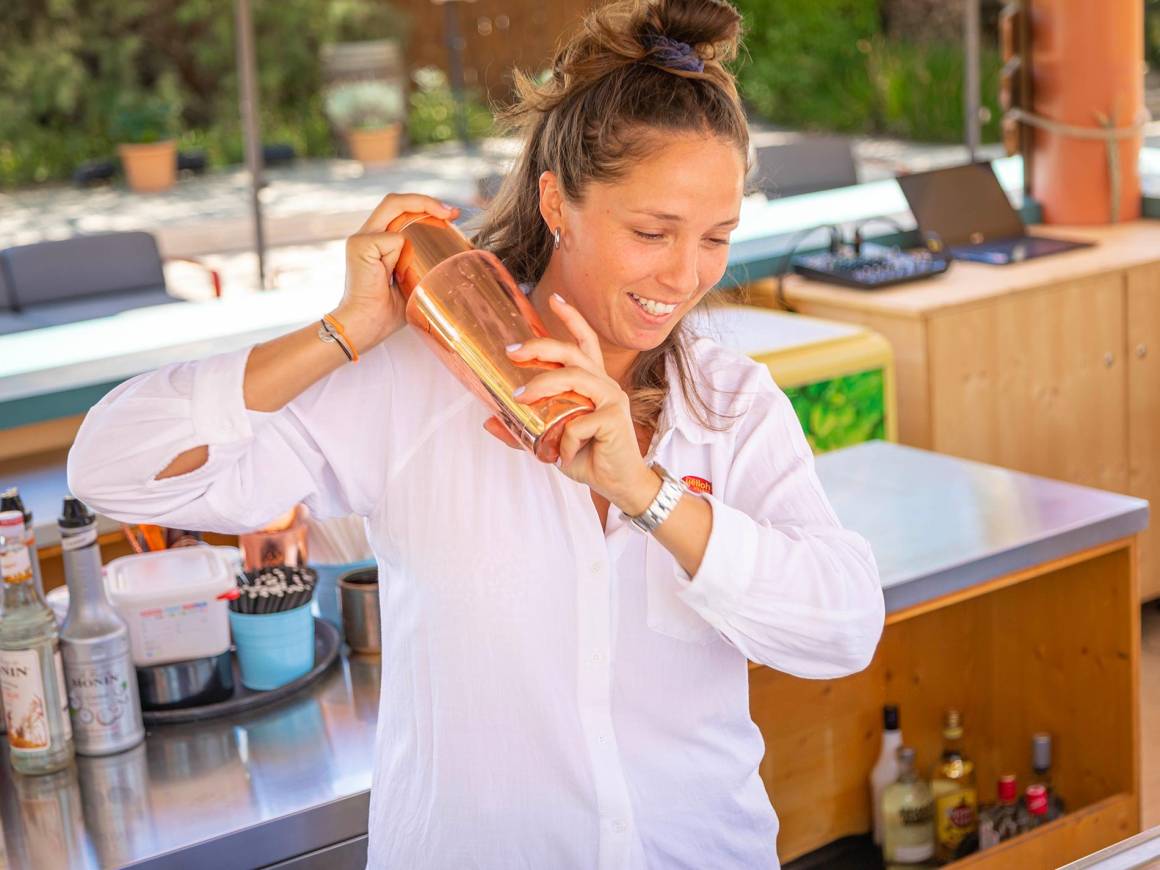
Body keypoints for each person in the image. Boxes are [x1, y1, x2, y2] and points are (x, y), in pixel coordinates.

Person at [67, 0, 884, 866]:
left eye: (717, 238)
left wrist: (645, 495)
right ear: (556, 202)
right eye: (652, 232)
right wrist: (341, 331)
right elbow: (115, 469)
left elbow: (841, 629)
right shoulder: (409, 388)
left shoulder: (729, 404)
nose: (685, 275)